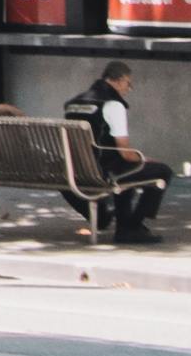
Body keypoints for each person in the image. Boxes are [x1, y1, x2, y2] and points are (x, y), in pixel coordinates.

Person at [59, 60, 169, 239]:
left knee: (126, 169)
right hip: (103, 171)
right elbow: (125, 152)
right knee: (161, 171)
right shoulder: (113, 105)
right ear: (118, 80)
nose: (129, 88)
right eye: (128, 83)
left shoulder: (73, 103)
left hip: (74, 169)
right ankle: (131, 226)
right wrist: (144, 159)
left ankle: (108, 219)